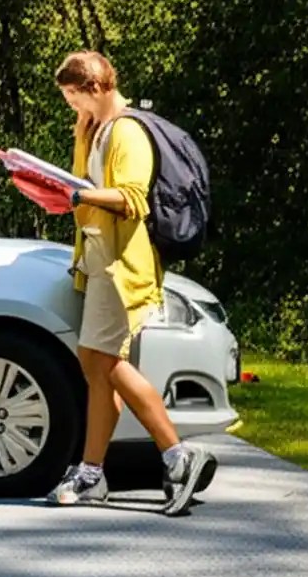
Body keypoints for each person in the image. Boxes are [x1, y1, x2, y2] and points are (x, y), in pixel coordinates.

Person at [45, 50, 216, 516]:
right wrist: (66, 179)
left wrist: (75, 193)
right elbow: (82, 189)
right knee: (100, 369)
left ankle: (178, 455)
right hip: (99, 263)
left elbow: (132, 199)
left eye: (72, 97)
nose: (70, 107)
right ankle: (92, 473)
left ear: (95, 87)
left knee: (100, 362)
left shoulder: (128, 131)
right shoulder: (95, 130)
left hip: (124, 266)